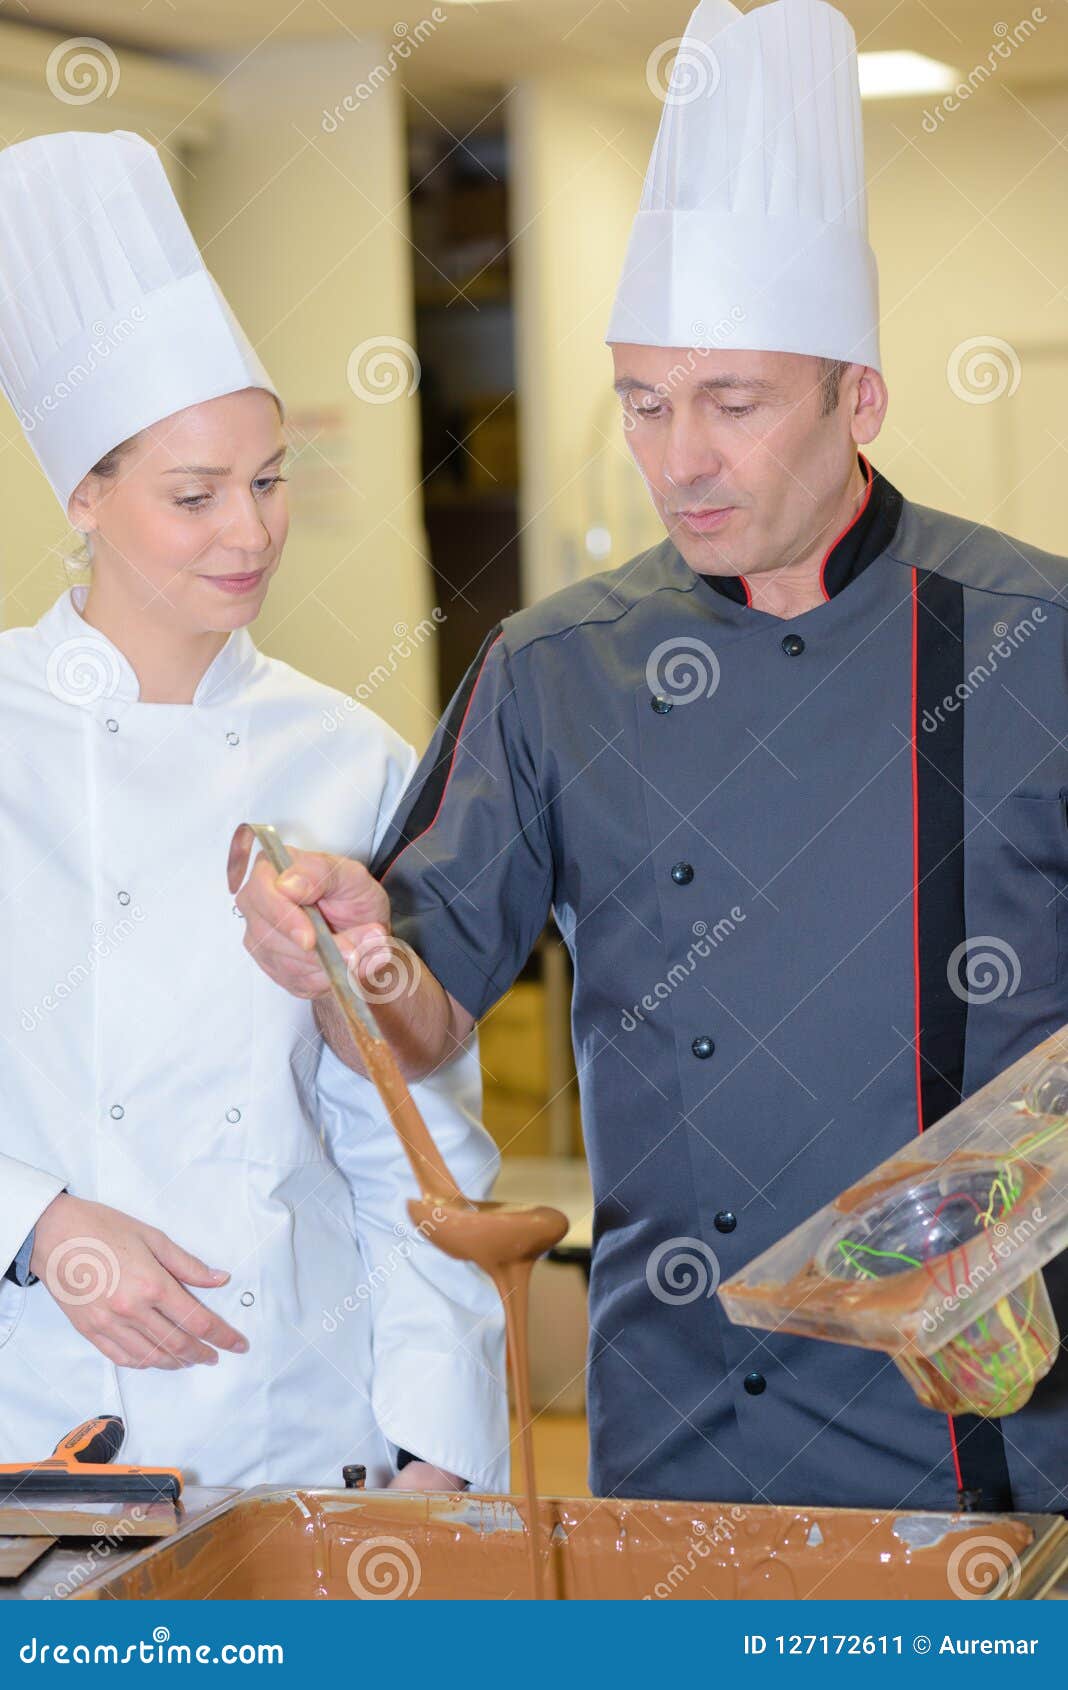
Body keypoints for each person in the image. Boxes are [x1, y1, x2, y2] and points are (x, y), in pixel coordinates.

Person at [235, 0, 1068, 1515]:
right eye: (643, 401)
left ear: (856, 398)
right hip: (683, 1425)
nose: (678, 457)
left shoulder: (1038, 640)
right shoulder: (556, 672)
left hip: (1002, 1431)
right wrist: (366, 957)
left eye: (733, 404)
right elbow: (421, 1008)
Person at [0, 129, 507, 1492]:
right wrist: (38, 1219)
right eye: (194, 494)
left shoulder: (346, 758)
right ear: (82, 497)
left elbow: (416, 1128)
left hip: (292, 1422)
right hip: (29, 1415)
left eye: (270, 478)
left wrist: (435, 1456)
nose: (251, 530)